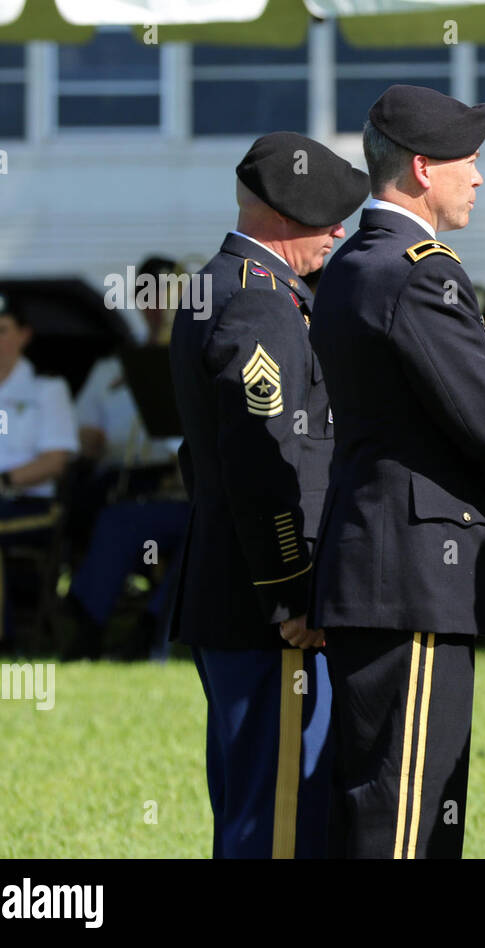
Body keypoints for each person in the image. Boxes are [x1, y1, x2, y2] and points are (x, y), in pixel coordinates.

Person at [308, 85, 485, 859]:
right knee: (405, 813)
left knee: (378, 795)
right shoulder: (420, 270)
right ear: (423, 169)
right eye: (469, 162)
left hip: (378, 559)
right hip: (415, 571)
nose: (480, 178)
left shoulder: (357, 262)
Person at [168, 131, 368, 858]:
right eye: (328, 217)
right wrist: (293, 593)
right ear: (283, 218)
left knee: (255, 807)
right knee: (281, 823)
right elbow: (265, 458)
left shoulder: (215, 284)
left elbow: (206, 452)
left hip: (232, 591)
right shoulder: (261, 304)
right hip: (269, 608)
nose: (341, 232)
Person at [64, 255, 188, 661]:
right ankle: (89, 631)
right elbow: (86, 436)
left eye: (168, 295)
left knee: (203, 533)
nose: (159, 307)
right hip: (132, 485)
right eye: (149, 297)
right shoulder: (112, 367)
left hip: (192, 491)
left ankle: (152, 628)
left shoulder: (199, 359)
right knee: (116, 523)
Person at [0, 298, 78, 652]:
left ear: (23, 335)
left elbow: (56, 461)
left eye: (1, 330)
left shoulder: (46, 389)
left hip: (28, 502)